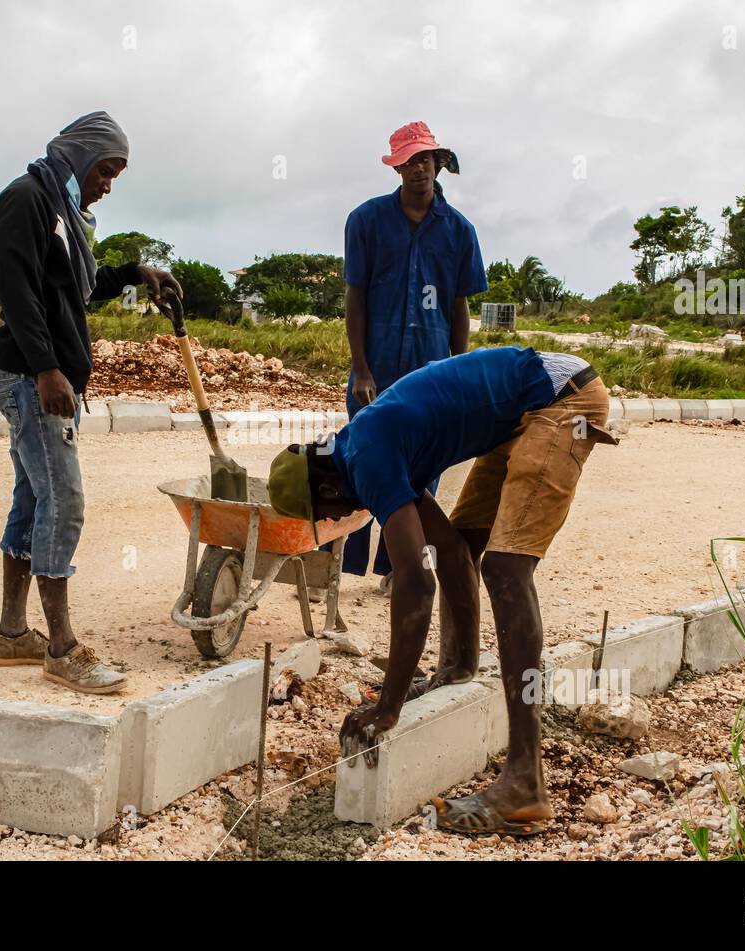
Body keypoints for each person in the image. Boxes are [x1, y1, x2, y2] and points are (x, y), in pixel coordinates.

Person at [267, 345, 617, 835]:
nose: (333, 521)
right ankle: (458, 664)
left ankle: (524, 784)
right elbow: (448, 552)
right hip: (525, 407)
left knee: (506, 567)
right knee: (469, 539)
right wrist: (438, 674)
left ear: (327, 489)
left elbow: (415, 579)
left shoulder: (367, 458)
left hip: (561, 401)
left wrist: (388, 706)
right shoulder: (364, 445)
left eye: (325, 514)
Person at [0, 111, 181, 694]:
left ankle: (13, 634)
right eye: (106, 169)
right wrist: (47, 369)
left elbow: (76, 289)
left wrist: (135, 272)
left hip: (37, 374)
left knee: (33, 499)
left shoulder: (62, 213)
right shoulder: (25, 201)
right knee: (64, 501)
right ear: (82, 156)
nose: (108, 183)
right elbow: (18, 293)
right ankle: (63, 649)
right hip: (27, 375)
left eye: (116, 174)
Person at [339, 121, 487, 582]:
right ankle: (347, 567)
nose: (416, 168)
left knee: (421, 468)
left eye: (424, 158)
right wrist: (361, 368)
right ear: (396, 167)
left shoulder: (459, 231)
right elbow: (355, 297)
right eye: (407, 161)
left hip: (431, 370)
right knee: (363, 458)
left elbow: (458, 308)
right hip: (376, 368)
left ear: (438, 163)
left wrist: (458, 373)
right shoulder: (366, 221)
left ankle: (396, 568)